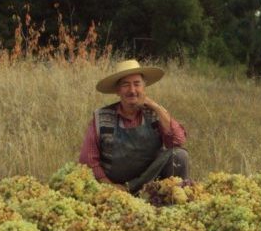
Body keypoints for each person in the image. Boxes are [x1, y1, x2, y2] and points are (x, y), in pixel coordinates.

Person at [79, 59, 190, 193]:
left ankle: (171, 201)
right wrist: (110, 186)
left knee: (179, 155)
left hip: (152, 185)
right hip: (114, 189)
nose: (132, 90)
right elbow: (88, 161)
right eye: (125, 85)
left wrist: (156, 107)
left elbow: (177, 141)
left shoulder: (155, 114)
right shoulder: (101, 117)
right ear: (117, 90)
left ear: (144, 87)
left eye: (137, 84)